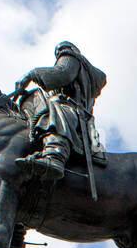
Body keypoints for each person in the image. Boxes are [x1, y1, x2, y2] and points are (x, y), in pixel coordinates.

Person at [14, 41, 107, 181]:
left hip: (69, 109)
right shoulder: (87, 74)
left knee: (54, 112)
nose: (59, 55)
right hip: (80, 115)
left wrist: (30, 75)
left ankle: (55, 156)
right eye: (58, 53)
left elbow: (63, 73)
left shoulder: (71, 57)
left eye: (60, 51)